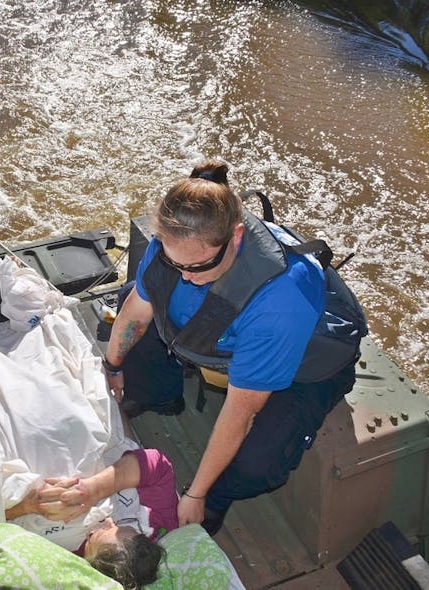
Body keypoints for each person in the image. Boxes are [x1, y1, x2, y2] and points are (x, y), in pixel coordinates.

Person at [102, 159, 366, 535]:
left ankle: (220, 498)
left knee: (258, 461)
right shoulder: (176, 244)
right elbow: (137, 312)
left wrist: (196, 494)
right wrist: (113, 366)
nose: (186, 276)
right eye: (172, 262)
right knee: (133, 294)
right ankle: (160, 396)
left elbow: (241, 412)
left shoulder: (280, 300)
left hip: (305, 366)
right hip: (228, 335)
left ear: (237, 237)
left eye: (199, 266)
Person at [5, 448, 177, 589]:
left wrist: (26, 506)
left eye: (94, 536)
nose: (108, 522)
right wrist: (95, 489)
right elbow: (158, 465)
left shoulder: (62, 555)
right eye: (120, 527)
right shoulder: (159, 523)